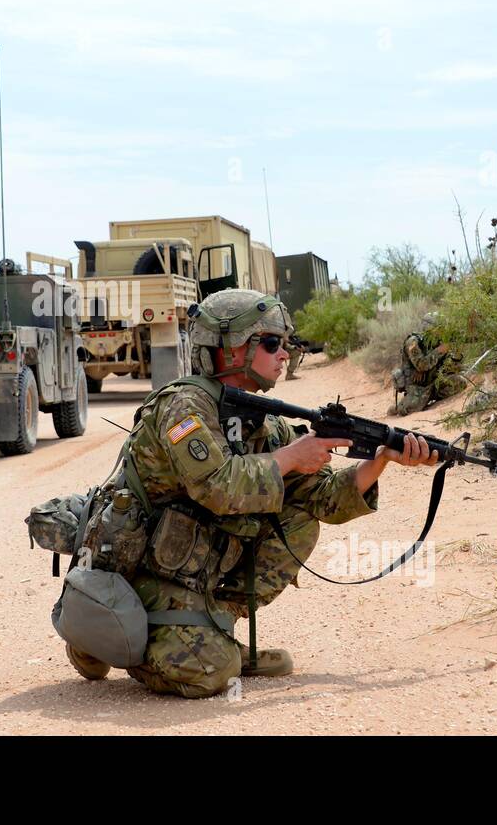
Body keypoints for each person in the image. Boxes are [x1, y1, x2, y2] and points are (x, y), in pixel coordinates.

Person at [64, 288, 440, 698]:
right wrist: (291, 457)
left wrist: (381, 459)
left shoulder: (259, 420)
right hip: (139, 573)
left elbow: (322, 499)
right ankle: (102, 634)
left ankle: (210, 627)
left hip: (190, 569)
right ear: (227, 348)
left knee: (299, 522)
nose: (284, 354)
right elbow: (217, 486)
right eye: (271, 343)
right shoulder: (183, 407)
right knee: (213, 672)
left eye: (285, 344)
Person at [389, 313, 466, 416]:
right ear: (429, 329)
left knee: (460, 382)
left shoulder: (439, 341)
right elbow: (421, 365)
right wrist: (439, 350)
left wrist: (457, 355)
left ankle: (429, 400)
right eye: (439, 328)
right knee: (407, 410)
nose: (441, 331)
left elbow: (454, 367)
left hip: (435, 383)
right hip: (418, 387)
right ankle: (397, 407)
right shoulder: (413, 342)